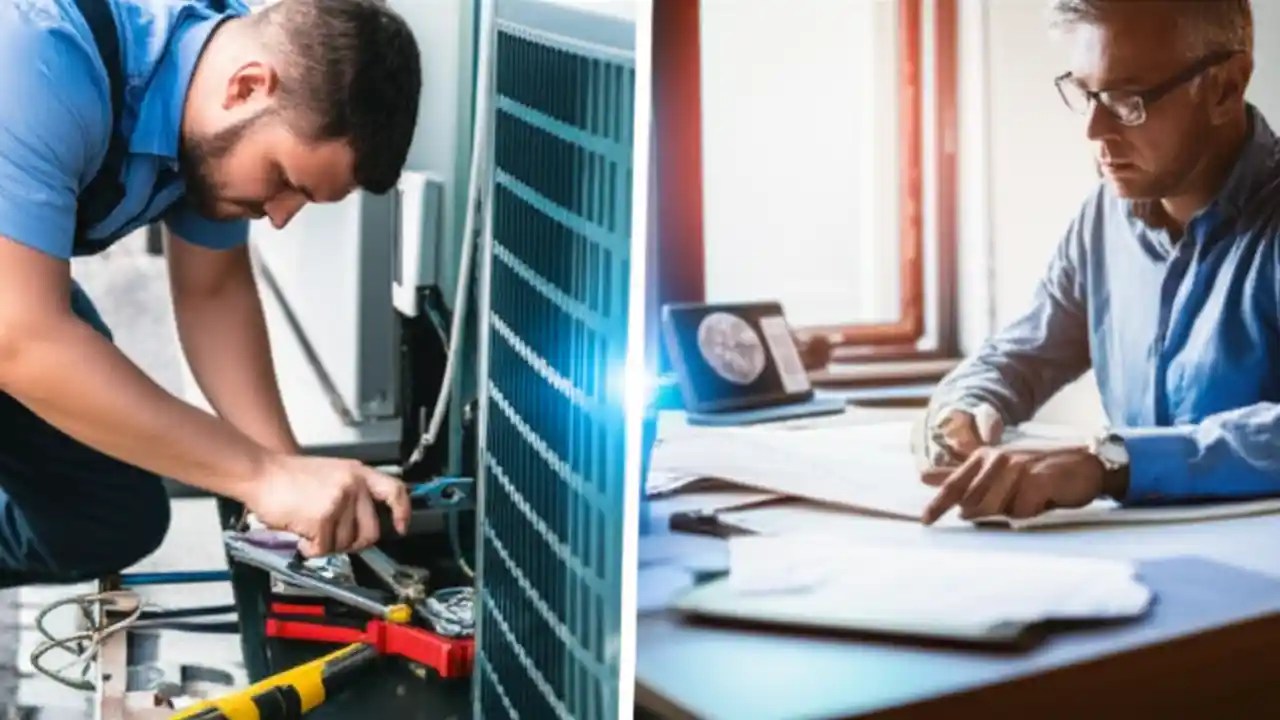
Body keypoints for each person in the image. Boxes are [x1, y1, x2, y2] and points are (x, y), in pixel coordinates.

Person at [0, 0, 422, 586]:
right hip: (14, 323)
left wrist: (291, 476)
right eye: (282, 180)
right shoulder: (37, 60)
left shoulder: (211, 105)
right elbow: (23, 341)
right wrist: (260, 477)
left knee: (109, 517)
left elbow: (213, 293)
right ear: (248, 87)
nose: (277, 218)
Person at [921, 0, 1279, 524]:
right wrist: (965, 413)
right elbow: (1019, 355)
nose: (1094, 130)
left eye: (1127, 99)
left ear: (1226, 86)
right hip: (1147, 568)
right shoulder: (1103, 220)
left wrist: (1108, 463)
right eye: (1085, 93)